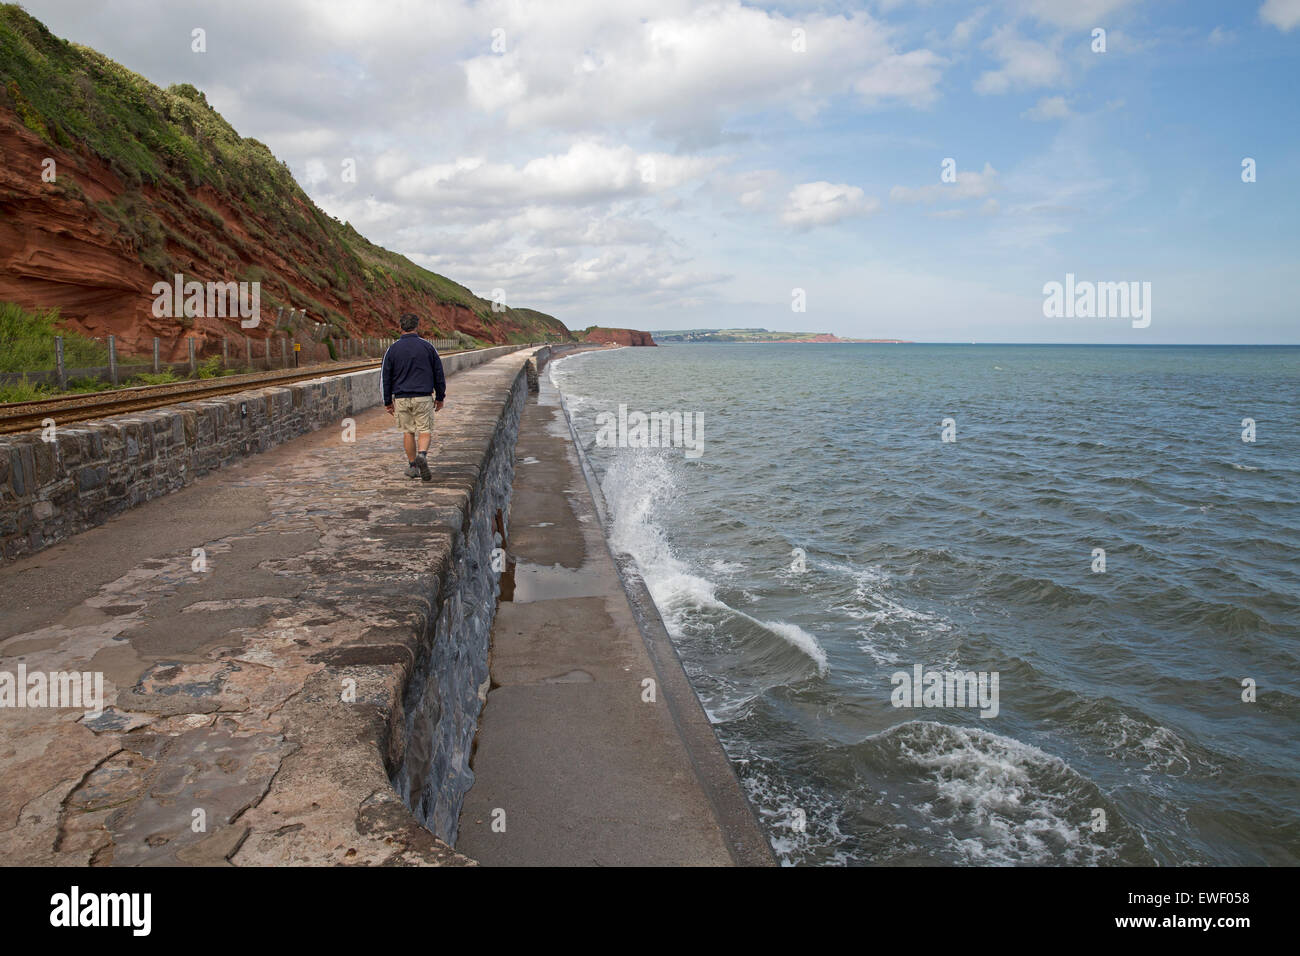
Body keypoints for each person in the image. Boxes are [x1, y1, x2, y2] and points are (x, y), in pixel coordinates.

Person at [381, 313, 446, 480]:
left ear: (400, 327)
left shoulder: (392, 349)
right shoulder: (428, 347)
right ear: (417, 326)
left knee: (408, 431)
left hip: (401, 398)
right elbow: (439, 373)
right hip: (423, 397)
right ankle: (422, 455)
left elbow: (385, 377)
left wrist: (387, 401)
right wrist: (440, 397)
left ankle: (412, 466)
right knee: (425, 430)